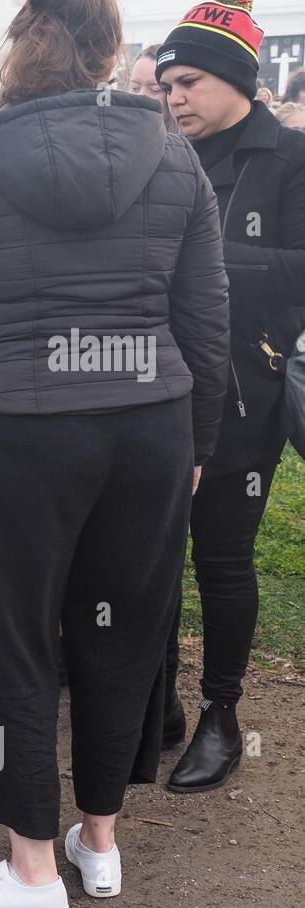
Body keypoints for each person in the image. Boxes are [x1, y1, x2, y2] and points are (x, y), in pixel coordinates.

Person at [0, 0, 229, 908]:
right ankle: (101, 841)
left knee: (13, 636)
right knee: (121, 632)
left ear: (18, 47)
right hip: (149, 427)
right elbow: (207, 315)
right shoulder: (177, 158)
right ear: (111, 53)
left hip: (25, 431)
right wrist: (197, 443)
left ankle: (35, 872)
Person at [156, 0, 305, 792]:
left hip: (248, 396)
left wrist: (208, 262)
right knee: (149, 556)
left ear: (238, 80)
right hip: (153, 390)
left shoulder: (289, 157)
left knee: (221, 558)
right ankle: (161, 703)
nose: (174, 97)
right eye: (165, 84)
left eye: (190, 82)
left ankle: (222, 714)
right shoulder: (159, 155)